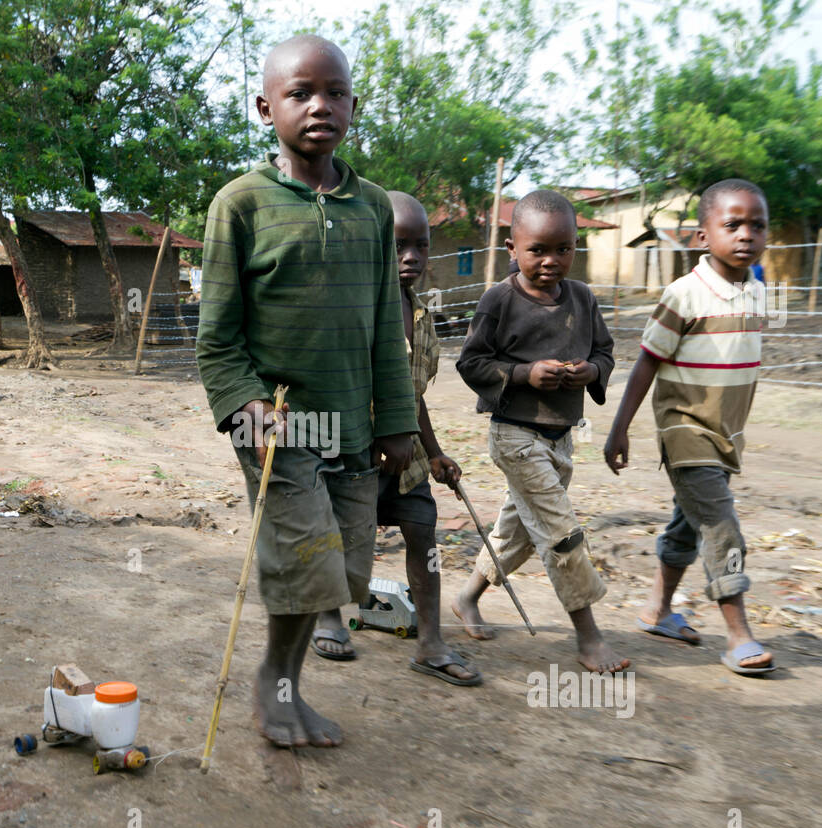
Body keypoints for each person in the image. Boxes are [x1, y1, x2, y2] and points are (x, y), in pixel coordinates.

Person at [196, 34, 419, 748]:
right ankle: (274, 683)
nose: (320, 105)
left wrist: (398, 419)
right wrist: (246, 404)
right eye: (300, 93)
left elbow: (390, 322)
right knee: (307, 560)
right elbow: (217, 334)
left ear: (354, 103)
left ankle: (287, 681)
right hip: (278, 425)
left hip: (353, 423)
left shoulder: (374, 207)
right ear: (266, 108)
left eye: (335, 92)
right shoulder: (240, 205)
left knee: (345, 573)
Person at [603, 178, 775, 676]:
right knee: (723, 529)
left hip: (725, 436)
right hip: (686, 431)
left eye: (757, 225)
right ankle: (739, 634)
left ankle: (657, 609)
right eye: (733, 224)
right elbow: (646, 364)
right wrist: (620, 429)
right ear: (702, 237)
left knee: (688, 521)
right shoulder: (683, 294)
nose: (746, 234)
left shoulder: (757, 293)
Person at [454, 190, 628, 674]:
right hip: (514, 435)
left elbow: (606, 353)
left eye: (564, 249)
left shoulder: (583, 298)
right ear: (512, 248)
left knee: (519, 533)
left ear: (576, 246)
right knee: (558, 531)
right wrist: (524, 374)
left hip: (562, 437)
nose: (552, 261)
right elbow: (470, 362)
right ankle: (589, 638)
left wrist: (590, 374)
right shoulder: (499, 301)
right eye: (537, 250)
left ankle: (467, 597)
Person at [311, 191, 479, 685]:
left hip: (406, 458)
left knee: (424, 535)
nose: (411, 257)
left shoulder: (424, 314)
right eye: (397, 245)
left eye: (421, 246)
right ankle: (328, 617)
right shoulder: (352, 308)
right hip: (353, 452)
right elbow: (338, 385)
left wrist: (435, 450)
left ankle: (431, 641)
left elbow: (414, 394)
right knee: (342, 538)